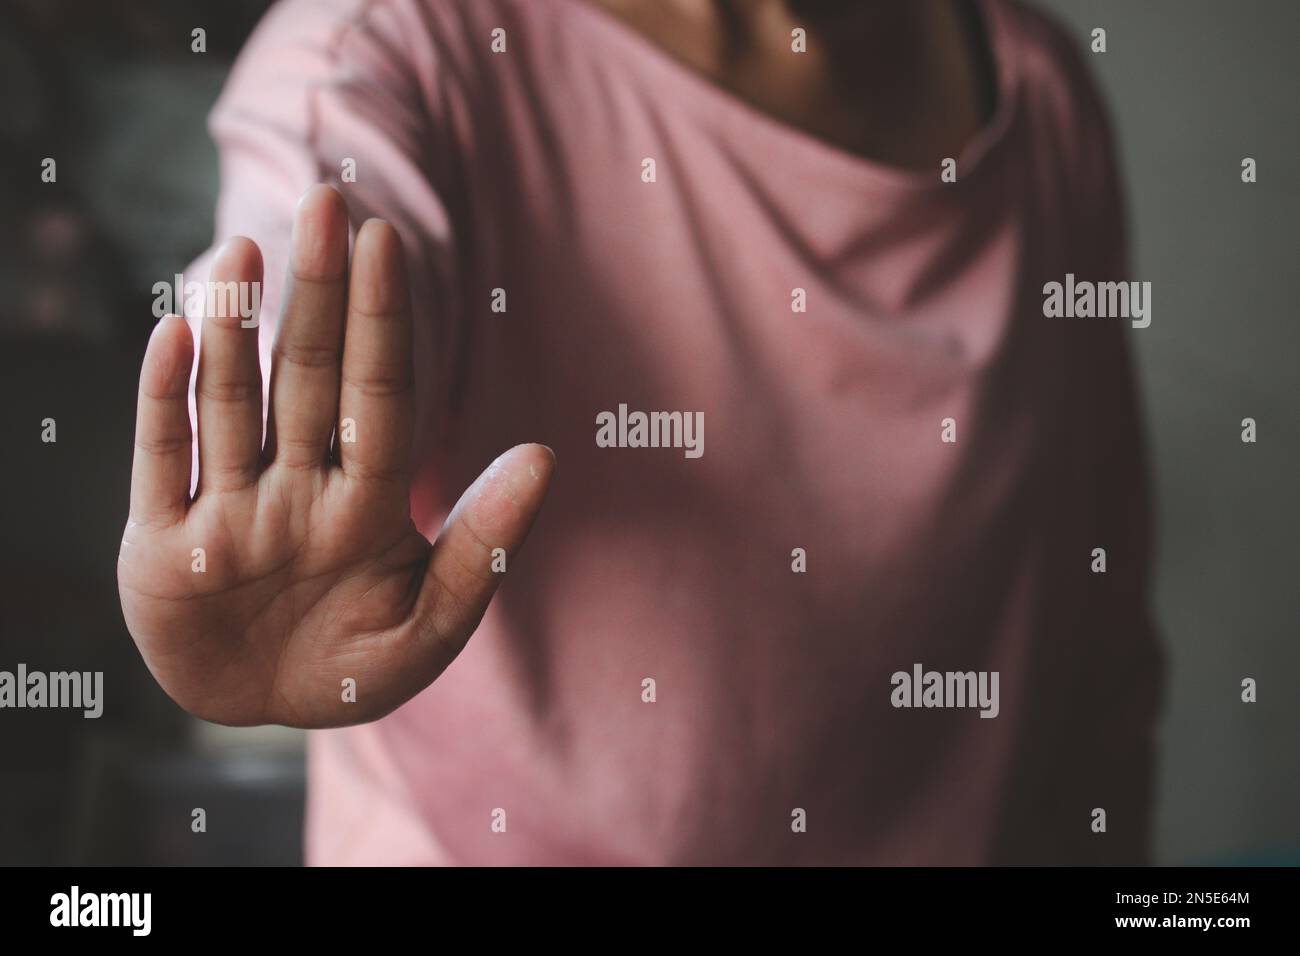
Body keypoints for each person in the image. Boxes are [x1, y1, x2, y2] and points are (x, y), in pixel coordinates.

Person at [117, 0, 1164, 864]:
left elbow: (1095, 621)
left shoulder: (1034, 86)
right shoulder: (399, 45)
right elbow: (318, 239)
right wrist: (252, 488)